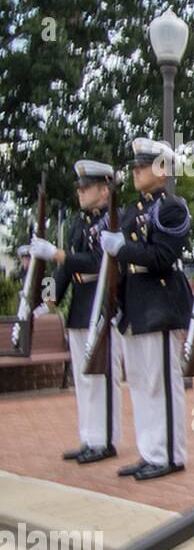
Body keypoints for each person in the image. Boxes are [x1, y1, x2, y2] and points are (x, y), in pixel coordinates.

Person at [99, 139, 192, 481]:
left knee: (161, 382)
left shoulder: (172, 208)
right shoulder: (132, 210)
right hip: (135, 301)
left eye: (144, 164)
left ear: (163, 170)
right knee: (138, 382)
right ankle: (149, 450)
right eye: (136, 165)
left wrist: (124, 248)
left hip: (160, 300)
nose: (136, 170)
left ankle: (170, 453)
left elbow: (162, 257)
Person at [28, 159, 122, 464]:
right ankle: (89, 437)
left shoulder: (112, 222)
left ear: (105, 190)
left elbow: (98, 262)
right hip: (81, 305)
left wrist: (58, 253)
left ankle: (106, 438)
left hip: (101, 303)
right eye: (79, 188)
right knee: (84, 378)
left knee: (102, 376)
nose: (80, 193)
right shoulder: (79, 224)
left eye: (87, 187)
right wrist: (46, 299)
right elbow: (64, 271)